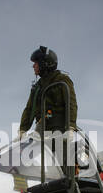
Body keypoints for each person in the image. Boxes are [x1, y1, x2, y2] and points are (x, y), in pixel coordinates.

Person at [18, 46, 79, 176]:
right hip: (42, 128)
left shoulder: (62, 80)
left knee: (63, 163)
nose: (33, 66)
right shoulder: (37, 87)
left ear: (45, 63)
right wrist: (22, 130)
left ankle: (72, 181)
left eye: (36, 63)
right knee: (31, 156)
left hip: (59, 127)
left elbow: (71, 104)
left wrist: (71, 127)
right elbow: (29, 109)